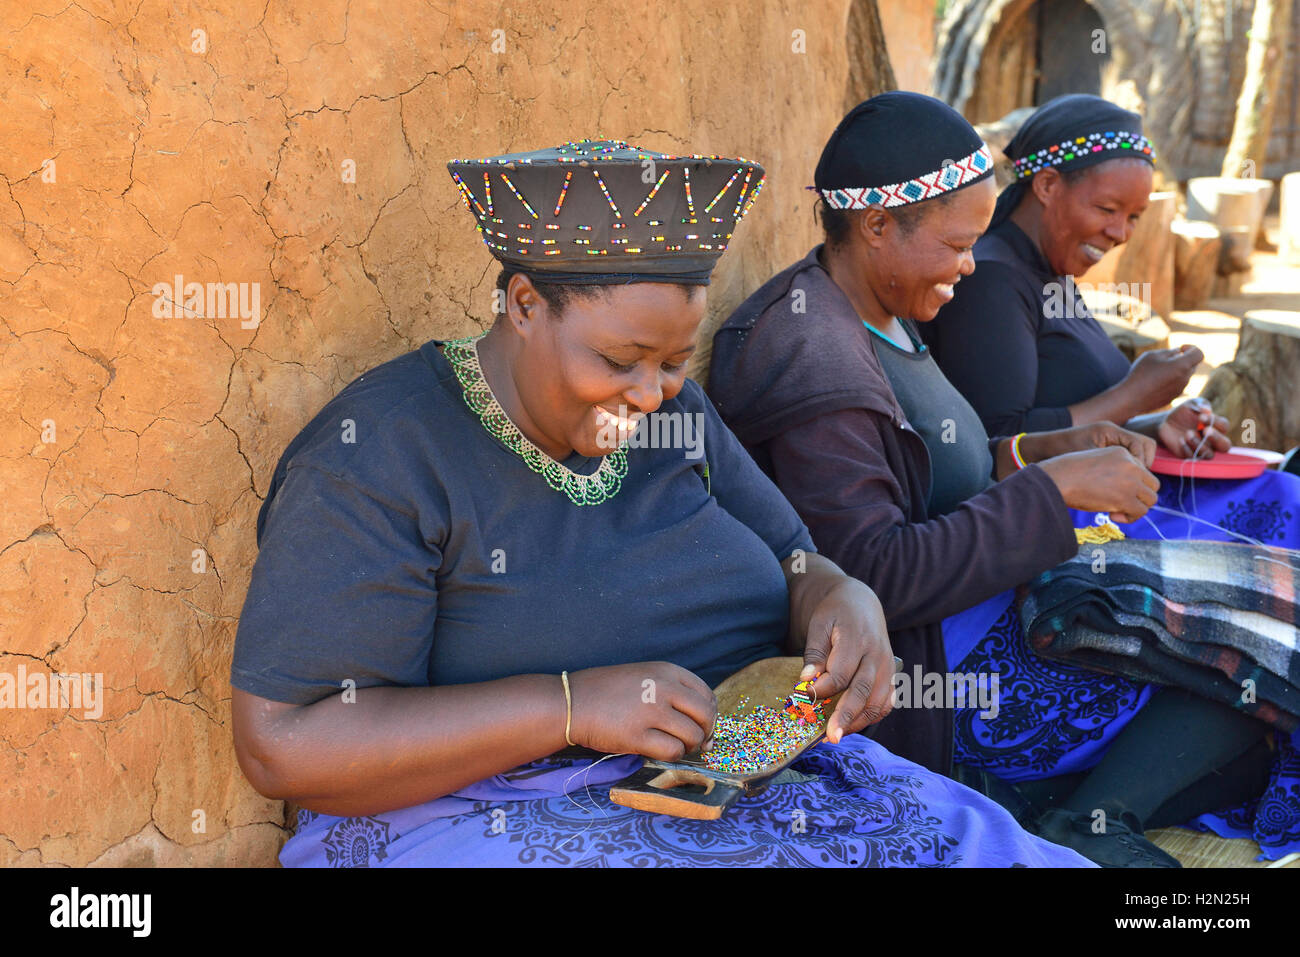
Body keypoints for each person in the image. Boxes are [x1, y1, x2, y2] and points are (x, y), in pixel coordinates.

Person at [228, 139, 1087, 868]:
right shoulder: (384, 451)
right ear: (524, 305)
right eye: (622, 358)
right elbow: (285, 740)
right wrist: (569, 705)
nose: (651, 393)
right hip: (495, 810)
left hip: (738, 782)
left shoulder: (673, 413)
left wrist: (841, 598)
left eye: (675, 361)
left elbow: (797, 558)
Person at [708, 93, 1277, 867]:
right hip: (937, 682)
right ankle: (1082, 820)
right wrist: (1053, 491)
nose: (971, 266)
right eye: (957, 244)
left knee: (1261, 615)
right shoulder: (817, 359)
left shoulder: (879, 306)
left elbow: (949, 464)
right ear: (878, 227)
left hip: (982, 610)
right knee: (1250, 667)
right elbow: (871, 576)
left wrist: (1048, 449)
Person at [919, 94, 1300, 861]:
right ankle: (1087, 817)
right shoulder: (993, 282)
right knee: (1261, 641)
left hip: (1103, 511)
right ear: (1047, 185)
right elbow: (1003, 448)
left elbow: (1052, 422)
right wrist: (1137, 395)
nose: (1121, 234)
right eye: (1107, 209)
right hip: (1037, 558)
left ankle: (1068, 809)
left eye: (1135, 217)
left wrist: (1149, 426)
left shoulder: (1040, 272)